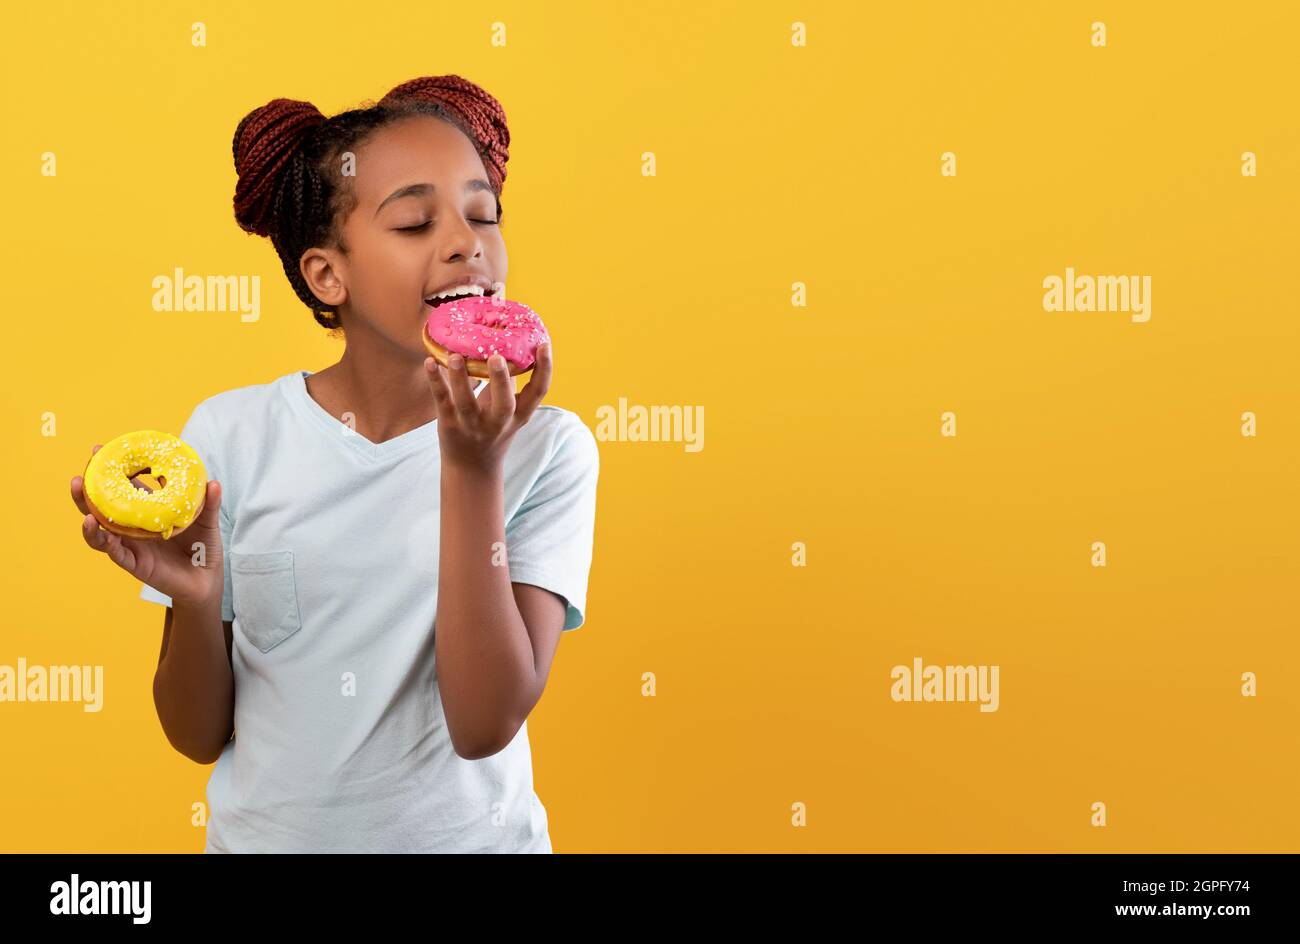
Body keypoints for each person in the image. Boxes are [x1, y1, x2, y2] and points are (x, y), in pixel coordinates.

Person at [68, 75, 600, 853]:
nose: (467, 240)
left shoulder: (544, 448)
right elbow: (195, 735)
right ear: (328, 276)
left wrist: (472, 472)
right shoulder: (232, 435)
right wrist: (196, 597)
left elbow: (484, 724)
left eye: (484, 213)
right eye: (416, 222)